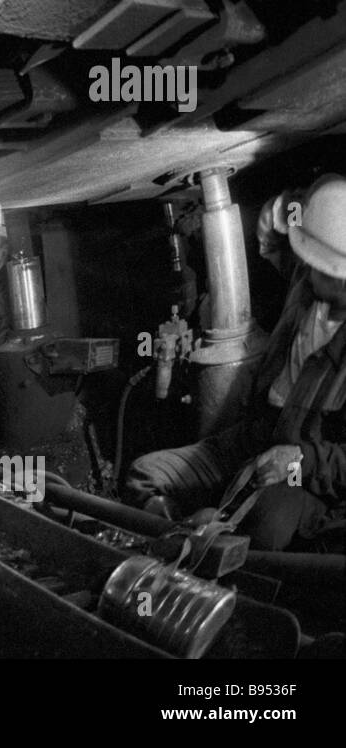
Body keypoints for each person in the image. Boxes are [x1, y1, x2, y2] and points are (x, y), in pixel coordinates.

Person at [125, 174, 346, 552]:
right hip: (256, 437)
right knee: (143, 476)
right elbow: (273, 228)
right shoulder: (305, 283)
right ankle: (188, 540)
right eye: (306, 259)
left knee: (267, 526)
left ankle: (227, 555)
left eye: (317, 265)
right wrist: (307, 207)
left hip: (300, 473)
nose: (305, 270)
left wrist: (300, 460)